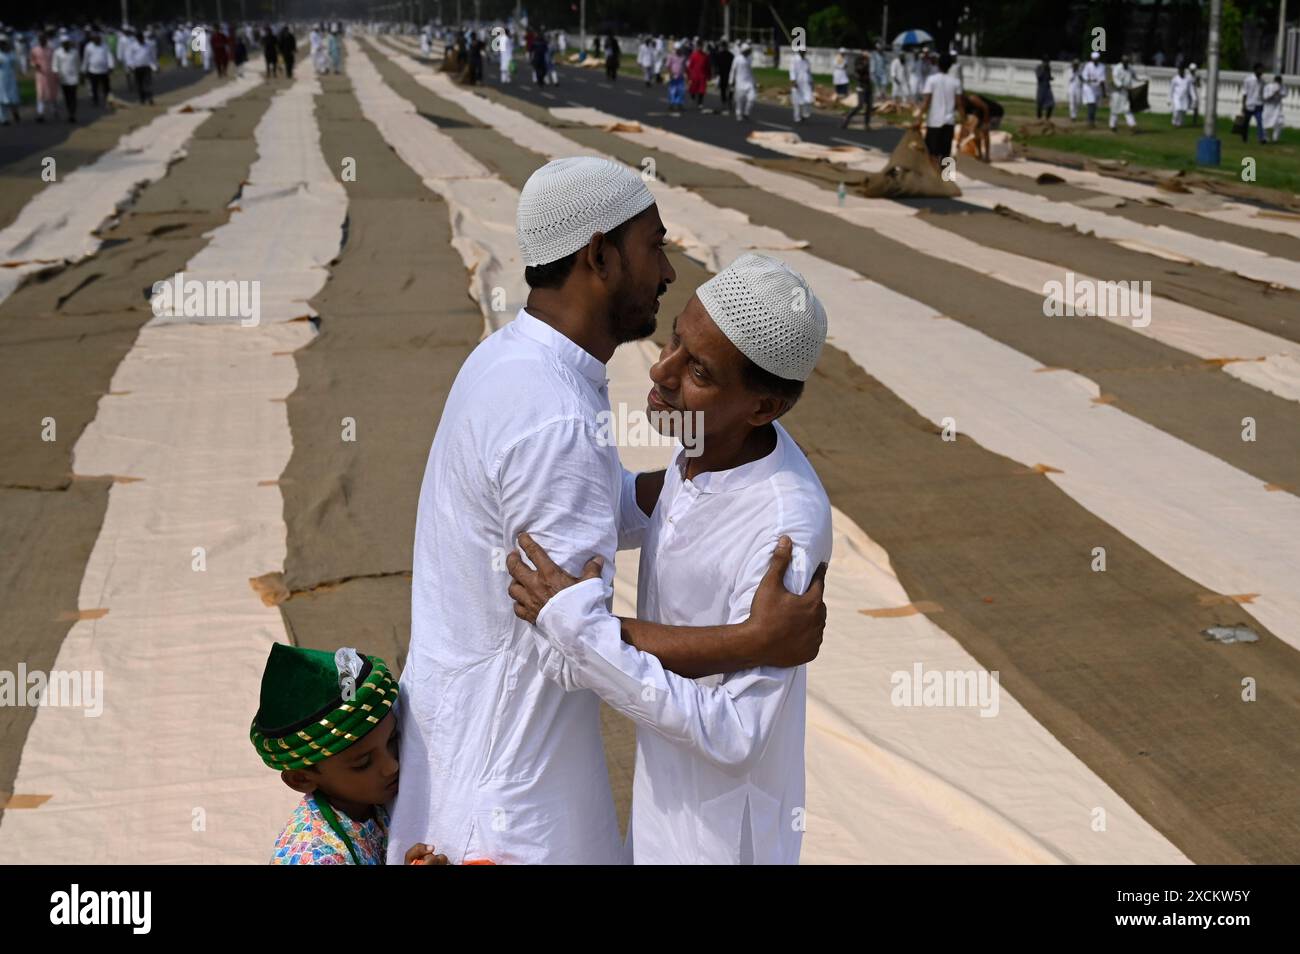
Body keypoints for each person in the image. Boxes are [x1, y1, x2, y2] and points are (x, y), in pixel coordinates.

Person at [386, 156, 827, 866]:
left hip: (503, 769)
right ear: (598, 254)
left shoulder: (513, 360)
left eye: (699, 366)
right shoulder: (555, 419)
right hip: (511, 806)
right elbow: (567, 648)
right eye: (653, 244)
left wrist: (716, 472)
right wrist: (748, 642)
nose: (665, 269)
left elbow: (595, 511)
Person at [506, 253, 831, 865]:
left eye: (699, 370)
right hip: (664, 805)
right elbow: (653, 506)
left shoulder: (785, 531)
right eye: (674, 339)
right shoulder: (710, 444)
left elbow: (735, 735)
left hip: (722, 838)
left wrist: (584, 629)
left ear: (763, 407)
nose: (662, 370)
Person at [251, 643, 449, 866]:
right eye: (363, 762)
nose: (391, 766)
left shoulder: (367, 800)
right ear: (302, 778)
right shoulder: (315, 857)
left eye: (392, 740)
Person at [919, 51, 963, 163]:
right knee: (946, 154)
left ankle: (933, 178)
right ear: (950, 66)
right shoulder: (956, 82)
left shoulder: (931, 80)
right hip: (949, 121)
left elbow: (926, 102)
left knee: (932, 153)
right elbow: (959, 104)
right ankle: (946, 178)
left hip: (934, 121)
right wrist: (964, 119)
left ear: (938, 64)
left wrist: (918, 118)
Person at [961, 90, 1003, 160]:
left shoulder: (972, 99)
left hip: (994, 112)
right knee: (975, 132)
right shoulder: (963, 107)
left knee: (984, 131)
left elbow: (985, 107)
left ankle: (987, 156)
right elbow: (965, 122)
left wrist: (985, 123)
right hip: (981, 114)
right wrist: (960, 139)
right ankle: (979, 154)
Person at [841, 47, 873, 130]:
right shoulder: (859, 60)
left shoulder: (870, 61)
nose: (868, 53)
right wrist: (866, 64)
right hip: (861, 86)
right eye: (867, 51)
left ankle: (867, 124)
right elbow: (859, 70)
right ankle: (847, 118)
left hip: (868, 85)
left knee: (869, 106)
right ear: (863, 52)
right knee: (860, 105)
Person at [29, 32, 59, 122]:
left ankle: (54, 110)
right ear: (39, 40)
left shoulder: (51, 50)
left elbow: (55, 62)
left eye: (44, 39)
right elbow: (31, 61)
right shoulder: (35, 50)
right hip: (40, 75)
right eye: (41, 39)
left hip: (51, 75)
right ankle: (40, 113)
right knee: (40, 94)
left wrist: (56, 72)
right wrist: (35, 65)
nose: (42, 41)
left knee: (52, 93)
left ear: (46, 40)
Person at [52, 33, 80, 122]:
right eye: (64, 43)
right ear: (61, 44)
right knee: (67, 97)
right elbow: (54, 65)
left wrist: (80, 75)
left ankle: (72, 113)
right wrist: (56, 73)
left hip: (73, 78)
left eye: (67, 43)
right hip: (63, 78)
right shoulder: (57, 53)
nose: (66, 45)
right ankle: (69, 112)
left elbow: (78, 64)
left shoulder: (75, 52)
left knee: (73, 96)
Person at [81, 31, 113, 107]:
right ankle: (95, 101)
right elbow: (86, 59)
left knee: (106, 88)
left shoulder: (105, 46)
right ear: (93, 39)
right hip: (93, 71)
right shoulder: (88, 47)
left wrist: (111, 66)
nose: (97, 40)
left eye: (98, 39)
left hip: (104, 70)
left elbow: (109, 56)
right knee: (94, 88)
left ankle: (109, 101)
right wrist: (83, 70)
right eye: (95, 39)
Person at [125, 29, 157, 104]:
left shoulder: (148, 45)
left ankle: (150, 97)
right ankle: (142, 98)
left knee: (147, 83)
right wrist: (130, 65)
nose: (140, 39)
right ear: (137, 38)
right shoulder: (133, 46)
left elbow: (152, 56)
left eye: (141, 37)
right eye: (139, 38)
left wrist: (155, 66)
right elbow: (129, 57)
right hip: (137, 67)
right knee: (139, 84)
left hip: (146, 67)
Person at [1108, 54, 1136, 132]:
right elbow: (1116, 80)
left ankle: (1132, 125)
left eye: (1127, 62)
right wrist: (1124, 87)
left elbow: (1134, 76)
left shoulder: (1130, 68)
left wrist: (1142, 80)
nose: (1126, 63)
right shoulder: (1117, 68)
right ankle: (1112, 125)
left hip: (1126, 92)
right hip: (1117, 92)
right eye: (1125, 62)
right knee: (1115, 109)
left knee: (1127, 109)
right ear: (1122, 62)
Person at [730, 41, 756, 122]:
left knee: (752, 98)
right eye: (747, 50)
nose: (749, 52)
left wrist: (754, 82)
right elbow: (733, 70)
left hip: (749, 83)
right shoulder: (737, 59)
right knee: (739, 101)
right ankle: (738, 114)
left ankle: (746, 113)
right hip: (739, 83)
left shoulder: (749, 59)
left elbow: (750, 72)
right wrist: (731, 82)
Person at [1241, 62, 1266, 144]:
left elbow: (1262, 93)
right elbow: (1244, 93)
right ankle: (1244, 138)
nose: (1262, 71)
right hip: (1249, 104)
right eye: (1260, 69)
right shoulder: (1248, 80)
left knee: (1260, 121)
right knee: (1246, 122)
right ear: (1256, 70)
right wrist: (1243, 104)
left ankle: (1261, 138)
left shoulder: (1262, 81)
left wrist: (1263, 103)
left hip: (1258, 104)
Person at [1081, 51, 1105, 127]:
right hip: (1089, 88)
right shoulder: (1088, 66)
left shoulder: (1102, 66)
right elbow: (1084, 77)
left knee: (1095, 105)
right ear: (1092, 59)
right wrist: (1090, 80)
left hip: (1097, 88)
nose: (1095, 61)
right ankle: (1091, 121)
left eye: (1096, 59)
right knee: (1091, 103)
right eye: (1094, 59)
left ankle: (1091, 119)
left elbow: (1102, 80)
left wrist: (1104, 92)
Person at [789, 47, 813, 123]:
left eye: (804, 51)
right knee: (797, 101)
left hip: (806, 82)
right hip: (797, 83)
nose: (803, 53)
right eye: (801, 51)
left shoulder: (807, 61)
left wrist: (812, 81)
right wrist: (793, 81)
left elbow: (809, 72)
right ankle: (797, 117)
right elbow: (792, 71)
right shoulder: (794, 60)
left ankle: (805, 114)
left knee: (808, 99)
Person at [0, 37, 19, 125]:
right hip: (1, 79)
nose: (3, 45)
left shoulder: (11, 54)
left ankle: (15, 112)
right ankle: (4, 119)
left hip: (11, 78)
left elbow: (15, 64)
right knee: (2, 98)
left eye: (4, 43)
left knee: (13, 97)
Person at [1261, 73, 1285, 143]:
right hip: (1268, 107)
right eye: (1277, 80)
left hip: (1277, 107)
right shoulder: (1268, 87)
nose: (1278, 82)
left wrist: (1279, 93)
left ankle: (1275, 138)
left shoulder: (1282, 87)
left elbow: (1284, 94)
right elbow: (1265, 97)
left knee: (1280, 122)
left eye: (1280, 81)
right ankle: (1265, 138)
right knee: (1265, 123)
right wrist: (1273, 94)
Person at [686, 40, 710, 109]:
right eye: (699, 46)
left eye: (701, 46)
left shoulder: (705, 56)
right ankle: (693, 97)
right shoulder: (693, 55)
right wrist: (689, 75)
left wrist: (708, 75)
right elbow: (689, 66)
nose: (700, 48)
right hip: (694, 75)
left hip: (702, 75)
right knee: (693, 89)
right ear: (697, 47)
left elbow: (707, 66)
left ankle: (700, 102)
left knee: (702, 90)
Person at [713, 39, 733, 109]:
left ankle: (728, 100)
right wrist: (716, 73)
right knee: (723, 89)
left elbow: (733, 65)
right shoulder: (720, 55)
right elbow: (716, 65)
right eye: (723, 46)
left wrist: (716, 73)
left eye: (724, 46)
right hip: (722, 74)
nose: (723, 47)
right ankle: (724, 101)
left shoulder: (730, 55)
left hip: (728, 74)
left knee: (728, 88)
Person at [666, 41, 687, 112]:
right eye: (677, 49)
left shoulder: (683, 57)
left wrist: (685, 74)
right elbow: (668, 66)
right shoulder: (671, 56)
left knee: (681, 90)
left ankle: (679, 104)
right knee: (673, 91)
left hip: (680, 76)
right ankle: (671, 104)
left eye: (679, 49)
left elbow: (684, 66)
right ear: (675, 49)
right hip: (673, 76)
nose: (678, 51)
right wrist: (670, 74)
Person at [1034, 55, 1054, 119]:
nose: (1047, 63)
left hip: (1047, 88)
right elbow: (1038, 77)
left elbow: (1049, 77)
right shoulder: (1038, 67)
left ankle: (1047, 119)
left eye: (1048, 62)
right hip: (1041, 88)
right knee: (1040, 104)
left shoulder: (1048, 68)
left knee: (1051, 103)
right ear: (1043, 62)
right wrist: (1043, 69)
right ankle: (1039, 118)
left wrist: (1051, 78)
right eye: (1046, 62)